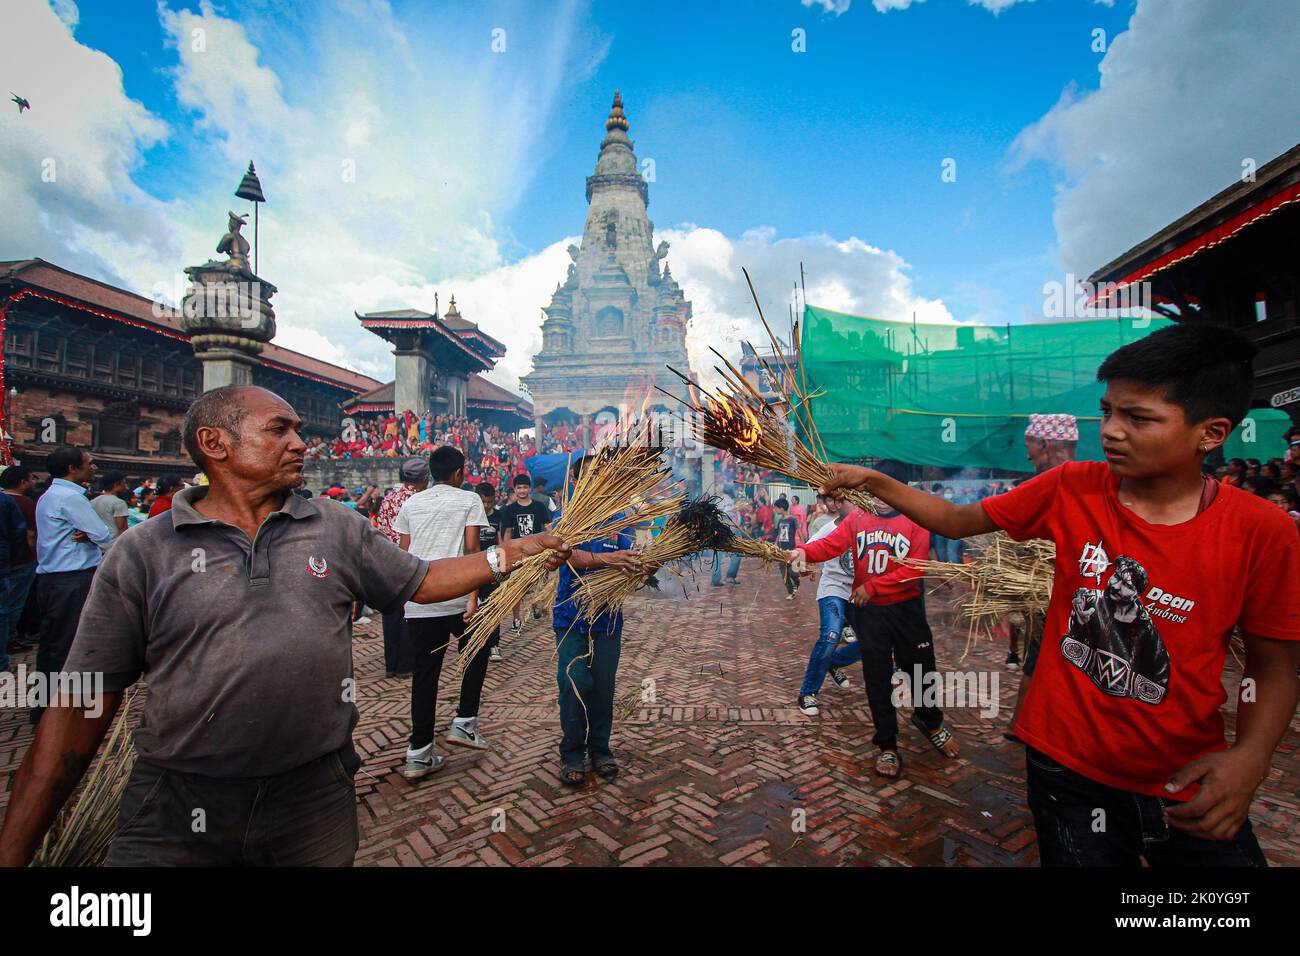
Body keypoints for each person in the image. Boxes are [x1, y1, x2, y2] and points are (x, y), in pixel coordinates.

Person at [0, 386, 568, 867]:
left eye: (298, 430)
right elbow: (81, 704)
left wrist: (509, 556)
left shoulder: (336, 527)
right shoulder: (142, 553)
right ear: (214, 444)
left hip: (313, 796)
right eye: (279, 430)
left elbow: (419, 580)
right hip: (176, 804)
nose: (300, 443)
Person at [818, 322, 1300, 866]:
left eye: (1138, 418)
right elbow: (955, 520)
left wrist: (1252, 758)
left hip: (1188, 773)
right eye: (1109, 411)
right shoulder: (1072, 487)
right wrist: (874, 481)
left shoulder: (1264, 531)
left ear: (1211, 433)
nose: (1112, 431)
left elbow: (1274, 664)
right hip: (1065, 767)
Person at [790, 475, 955, 779]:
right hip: (872, 613)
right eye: (873, 492)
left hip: (907, 610)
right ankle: (887, 745)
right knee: (877, 677)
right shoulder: (858, 520)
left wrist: (874, 587)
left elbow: (915, 567)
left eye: (885, 491)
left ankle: (930, 720)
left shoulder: (914, 520)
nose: (879, 498)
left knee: (921, 670)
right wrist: (803, 552)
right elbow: (830, 545)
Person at [394, 446, 493, 777]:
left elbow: (404, 554)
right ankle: (464, 720)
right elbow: (472, 550)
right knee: (478, 648)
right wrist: (472, 597)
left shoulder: (411, 503)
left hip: (420, 596)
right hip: (455, 592)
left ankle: (418, 752)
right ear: (460, 473)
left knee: (425, 673)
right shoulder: (469, 500)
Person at [551, 454, 645, 787]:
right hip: (570, 618)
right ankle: (572, 753)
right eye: (589, 476)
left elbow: (632, 559)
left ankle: (601, 749)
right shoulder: (566, 517)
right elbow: (565, 555)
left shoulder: (620, 520)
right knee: (574, 685)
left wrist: (649, 564)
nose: (597, 481)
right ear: (576, 481)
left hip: (607, 620)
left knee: (603, 688)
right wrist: (609, 559)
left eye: (602, 475)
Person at [30, 446, 114, 723]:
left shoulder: (50, 496)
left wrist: (86, 534)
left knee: (54, 642)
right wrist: (90, 534)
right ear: (72, 468)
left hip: (53, 578)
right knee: (67, 644)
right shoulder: (70, 498)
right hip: (71, 578)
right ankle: (58, 709)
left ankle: (45, 704)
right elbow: (102, 534)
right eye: (89, 463)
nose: (94, 467)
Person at [1007, 414, 1079, 684]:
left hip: (1055, 600)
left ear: (1045, 445)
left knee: (1038, 667)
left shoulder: (1041, 489)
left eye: (1030, 448)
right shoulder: (1097, 484)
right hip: (1075, 602)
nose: (1028, 457)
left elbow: (959, 521)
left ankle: (1019, 727)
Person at [795, 497, 862, 716]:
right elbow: (807, 550)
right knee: (831, 635)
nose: (839, 505)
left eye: (845, 500)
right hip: (833, 588)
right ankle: (807, 692)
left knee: (872, 639)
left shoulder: (868, 527)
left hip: (859, 590)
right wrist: (804, 566)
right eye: (837, 501)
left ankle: (832, 662)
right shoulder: (827, 529)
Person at [373, 458, 430, 678]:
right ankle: (406, 664)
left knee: (392, 612)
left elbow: (379, 530)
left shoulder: (388, 499)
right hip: (412, 561)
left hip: (388, 560)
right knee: (411, 612)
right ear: (424, 478)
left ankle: (391, 664)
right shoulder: (420, 500)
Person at [499, 473, 554, 631]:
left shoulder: (539, 507)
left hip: (538, 552)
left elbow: (547, 527)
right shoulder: (509, 510)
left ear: (529, 488)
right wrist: (504, 553)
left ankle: (536, 604)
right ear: (514, 490)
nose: (522, 490)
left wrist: (552, 543)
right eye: (519, 488)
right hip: (517, 554)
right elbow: (508, 532)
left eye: (524, 487)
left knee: (540, 583)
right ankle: (517, 618)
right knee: (515, 587)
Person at [0, 467, 38, 670]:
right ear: (22, 482)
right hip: (15, 562)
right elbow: (26, 534)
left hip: (8, 561)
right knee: (8, 608)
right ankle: (7, 646)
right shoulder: (20, 503)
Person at [475, 481, 508, 662]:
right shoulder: (471, 517)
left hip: (492, 567)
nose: (487, 506)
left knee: (493, 606)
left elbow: (501, 542)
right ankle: (477, 642)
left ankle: (494, 644)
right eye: (483, 502)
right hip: (474, 567)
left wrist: (502, 569)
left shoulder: (498, 515)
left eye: (489, 502)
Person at [710, 485, 743, 587]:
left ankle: (715, 580)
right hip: (731, 530)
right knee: (738, 552)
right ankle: (730, 576)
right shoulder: (728, 501)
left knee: (718, 556)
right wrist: (734, 526)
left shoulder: (717, 501)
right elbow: (731, 517)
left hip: (720, 531)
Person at [89, 472, 129, 542]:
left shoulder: (93, 501)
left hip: (96, 543)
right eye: (123, 482)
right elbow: (122, 528)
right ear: (116, 484)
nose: (125, 486)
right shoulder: (119, 503)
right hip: (112, 544)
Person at [773, 498, 800, 600]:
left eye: (776, 508)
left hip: (791, 550)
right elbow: (780, 533)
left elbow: (799, 532)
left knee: (793, 572)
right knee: (784, 572)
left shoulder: (792, 519)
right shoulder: (780, 520)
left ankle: (796, 582)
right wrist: (775, 544)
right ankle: (791, 592)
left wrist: (803, 546)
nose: (775, 510)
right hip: (782, 551)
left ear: (781, 508)